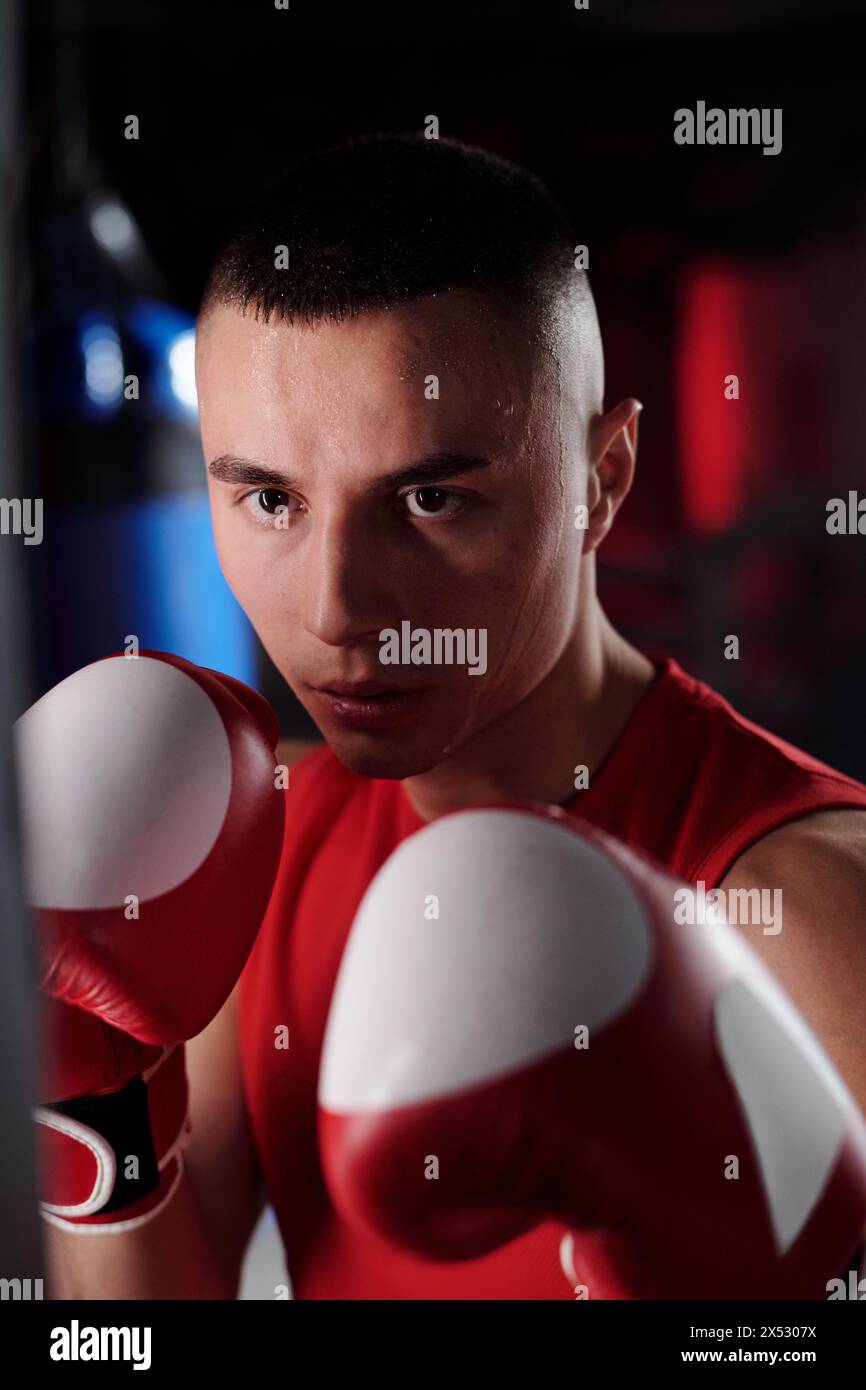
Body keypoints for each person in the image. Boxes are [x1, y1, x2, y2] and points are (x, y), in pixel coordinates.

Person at [45, 133, 866, 1299]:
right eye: (268, 497)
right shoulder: (233, 854)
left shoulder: (808, 918)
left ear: (604, 477)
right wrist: (95, 1119)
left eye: (429, 498)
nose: (335, 608)